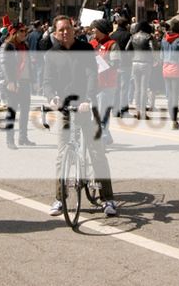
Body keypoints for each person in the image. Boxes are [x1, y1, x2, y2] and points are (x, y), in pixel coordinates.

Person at [45, 16, 117, 218]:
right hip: (65, 108)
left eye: (68, 29)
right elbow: (47, 81)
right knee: (62, 153)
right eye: (61, 30)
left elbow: (91, 75)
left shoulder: (85, 49)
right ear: (55, 33)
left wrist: (89, 98)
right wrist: (52, 97)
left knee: (96, 151)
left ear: (74, 30)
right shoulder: (51, 54)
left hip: (86, 105)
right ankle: (60, 198)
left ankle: (108, 198)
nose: (65, 33)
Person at [0, 23, 36, 148]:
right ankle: (10, 140)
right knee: (12, 112)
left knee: (25, 111)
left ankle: (23, 138)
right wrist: (10, 81)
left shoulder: (24, 45)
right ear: (14, 33)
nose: (24, 34)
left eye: (25, 31)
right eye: (21, 31)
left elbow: (28, 64)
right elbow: (4, 65)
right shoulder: (7, 46)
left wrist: (32, 79)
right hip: (13, 82)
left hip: (25, 82)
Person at [88, 19, 120, 145]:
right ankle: (105, 136)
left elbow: (116, 63)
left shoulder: (112, 44)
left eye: (94, 28)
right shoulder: (91, 43)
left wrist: (101, 62)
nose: (92, 30)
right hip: (93, 83)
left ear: (101, 30)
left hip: (107, 83)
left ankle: (102, 138)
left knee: (102, 112)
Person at [161, 19, 179, 129]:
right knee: (175, 95)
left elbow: (161, 57)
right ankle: (174, 120)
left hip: (166, 68)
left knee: (170, 95)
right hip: (177, 68)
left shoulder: (164, 39)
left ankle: (172, 117)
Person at [128, 21, 157, 119]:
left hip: (134, 62)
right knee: (144, 88)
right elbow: (153, 49)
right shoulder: (149, 37)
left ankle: (137, 111)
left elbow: (127, 48)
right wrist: (154, 59)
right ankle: (143, 112)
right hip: (146, 63)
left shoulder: (133, 37)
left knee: (137, 88)